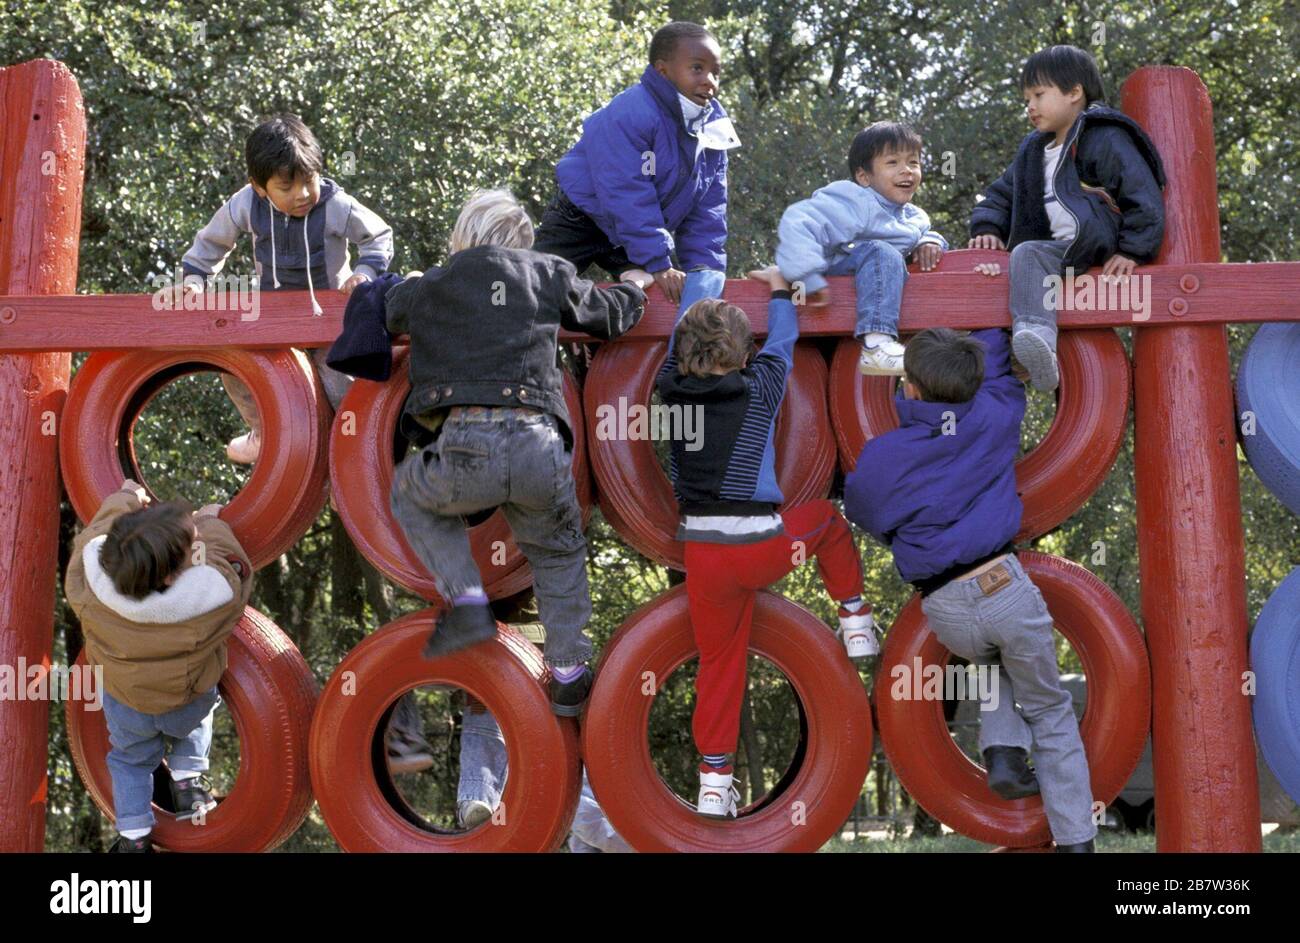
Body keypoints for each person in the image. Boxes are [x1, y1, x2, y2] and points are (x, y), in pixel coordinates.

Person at [385, 188, 645, 715]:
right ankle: (570, 669)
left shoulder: (437, 283)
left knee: (411, 492)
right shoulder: (546, 272)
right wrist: (635, 288)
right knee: (556, 549)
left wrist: (410, 282)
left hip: (467, 445)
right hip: (537, 445)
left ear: (463, 237)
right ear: (523, 243)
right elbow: (607, 313)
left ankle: (467, 599)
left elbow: (390, 312)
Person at [843, 327, 1097, 852]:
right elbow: (1003, 352)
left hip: (945, 609)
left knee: (988, 658)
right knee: (1049, 712)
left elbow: (866, 514)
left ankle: (1003, 752)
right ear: (974, 381)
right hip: (1002, 585)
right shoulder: (997, 413)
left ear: (907, 387)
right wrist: (983, 317)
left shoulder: (883, 456)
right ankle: (1077, 841)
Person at [658, 266, 876, 819]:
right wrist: (779, 287)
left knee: (720, 664)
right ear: (744, 354)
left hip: (702, 557)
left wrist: (704, 279)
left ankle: (713, 781)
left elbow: (675, 339)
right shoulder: (759, 389)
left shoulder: (669, 390)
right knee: (827, 520)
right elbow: (784, 339)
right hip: (762, 546)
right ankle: (854, 620)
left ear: (683, 352)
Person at [180, 113, 394, 462]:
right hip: (274, 325)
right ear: (259, 186)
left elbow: (379, 236)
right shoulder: (246, 204)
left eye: (309, 180)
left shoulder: (335, 205)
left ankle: (349, 457)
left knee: (343, 391)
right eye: (286, 187)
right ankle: (263, 432)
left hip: (329, 325)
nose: (303, 194)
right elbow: (210, 244)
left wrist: (365, 272)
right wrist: (193, 281)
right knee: (236, 368)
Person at [63, 480, 253, 853]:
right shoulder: (207, 604)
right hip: (184, 700)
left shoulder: (88, 584)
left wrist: (125, 498)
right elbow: (233, 569)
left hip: (126, 703)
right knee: (198, 716)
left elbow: (95, 535)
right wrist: (212, 524)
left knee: (130, 761)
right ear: (170, 576)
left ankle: (133, 839)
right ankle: (188, 782)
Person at [968, 44, 1165, 392]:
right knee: (1022, 256)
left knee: (1026, 256)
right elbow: (1001, 194)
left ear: (1074, 92)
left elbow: (1141, 194)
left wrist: (1133, 250)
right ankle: (1036, 342)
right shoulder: (1033, 150)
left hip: (1098, 246)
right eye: (1026, 98)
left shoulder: (1104, 138)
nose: (1030, 106)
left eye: (1039, 95)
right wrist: (987, 227)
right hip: (1058, 253)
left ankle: (1032, 339)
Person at [533, 20, 738, 316]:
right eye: (697, 68)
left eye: (716, 72)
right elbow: (627, 193)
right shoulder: (632, 112)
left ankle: (597, 358)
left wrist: (704, 272)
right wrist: (658, 261)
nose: (710, 80)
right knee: (533, 289)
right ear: (662, 70)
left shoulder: (713, 132)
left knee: (648, 302)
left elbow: (708, 211)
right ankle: (544, 353)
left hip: (632, 237)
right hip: (582, 218)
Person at [776, 121, 948, 375]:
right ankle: (877, 345)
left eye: (913, 162)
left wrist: (930, 241)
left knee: (885, 254)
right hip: (832, 275)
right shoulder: (855, 201)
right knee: (881, 251)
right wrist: (805, 273)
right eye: (893, 163)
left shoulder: (914, 217)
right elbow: (802, 222)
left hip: (871, 286)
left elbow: (923, 233)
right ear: (864, 177)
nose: (907, 171)